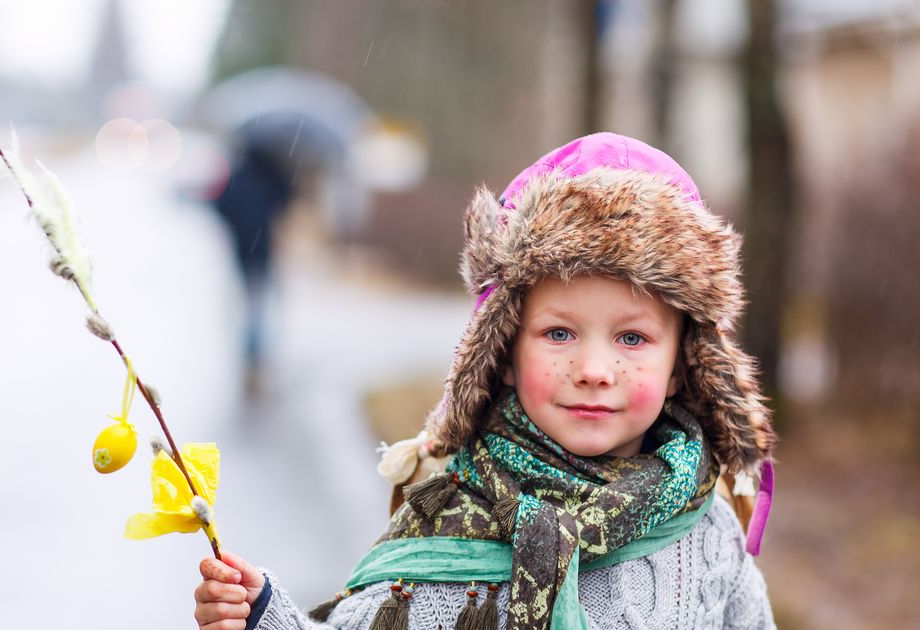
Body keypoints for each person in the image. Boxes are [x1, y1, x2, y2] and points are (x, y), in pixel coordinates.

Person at [193, 132, 779, 629]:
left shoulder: (706, 528)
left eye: (632, 339)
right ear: (502, 350)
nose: (595, 372)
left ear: (682, 366)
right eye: (558, 334)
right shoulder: (453, 517)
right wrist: (262, 612)